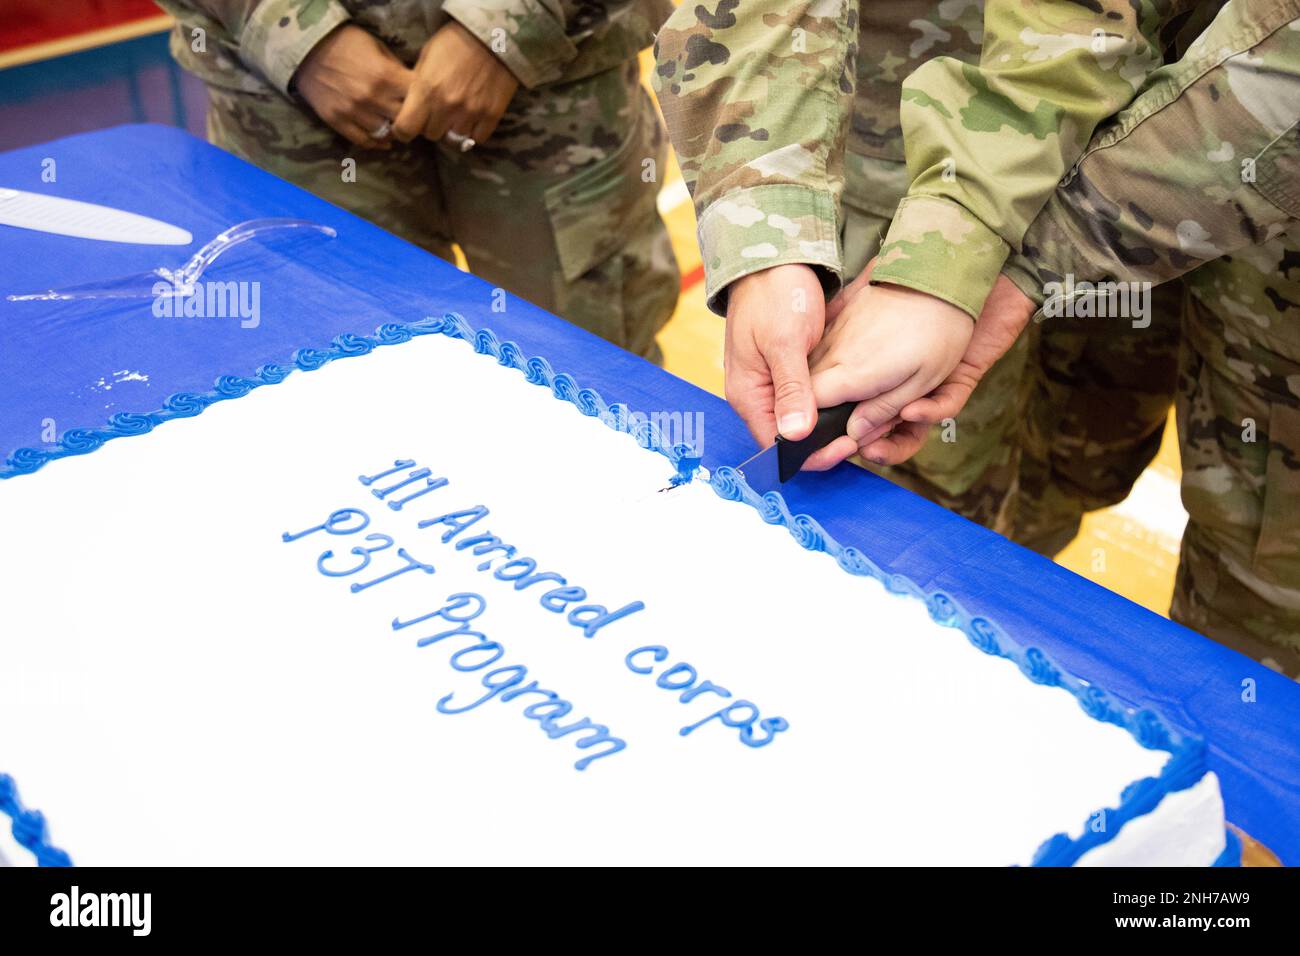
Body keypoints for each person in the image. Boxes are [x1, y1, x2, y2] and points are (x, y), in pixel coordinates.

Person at [652, 1, 1194, 539]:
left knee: (1090, 449)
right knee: (924, 498)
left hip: (1167, 176)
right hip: (902, 162)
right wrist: (767, 232)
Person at [880, 0, 1300, 673]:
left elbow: (1283, 83)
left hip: (1198, 210)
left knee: (1262, 629)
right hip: (1090, 143)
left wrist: (989, 258)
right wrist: (958, 245)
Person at [155, 0, 679, 361]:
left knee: (591, 383)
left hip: (557, 83)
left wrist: (508, 22)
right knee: (338, 384)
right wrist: (293, 30)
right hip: (289, 108)